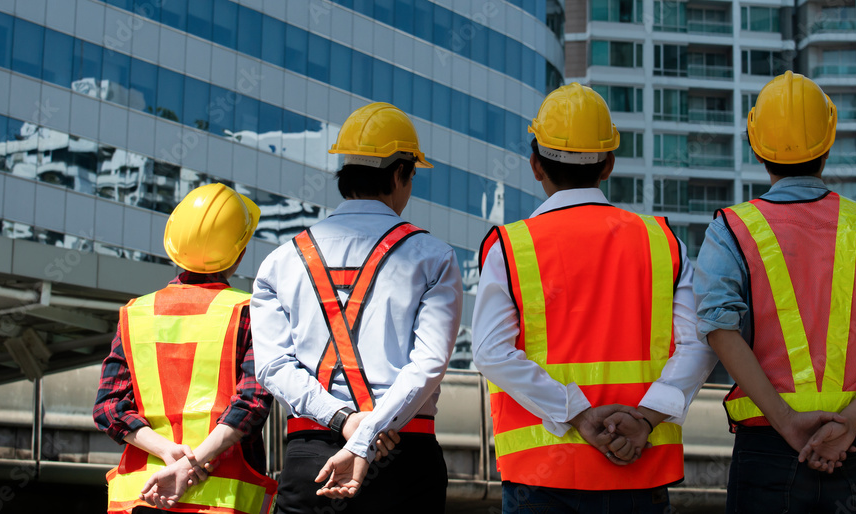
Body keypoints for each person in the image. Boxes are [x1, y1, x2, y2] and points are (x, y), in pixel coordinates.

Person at [472, 82, 717, 513]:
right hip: (639, 472)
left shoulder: (510, 247)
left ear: (535, 165)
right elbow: (700, 343)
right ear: (608, 165)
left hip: (541, 476)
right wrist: (645, 418)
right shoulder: (661, 243)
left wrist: (578, 413)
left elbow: (491, 353)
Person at [693, 71, 856, 514]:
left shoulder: (732, 231)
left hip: (767, 446)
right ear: (829, 138)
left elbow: (719, 328)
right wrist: (850, 423)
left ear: (756, 144)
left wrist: (787, 423)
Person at [250, 102, 463, 513]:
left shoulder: (280, 261)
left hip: (311, 457)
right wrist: (368, 433)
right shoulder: (433, 257)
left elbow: (272, 367)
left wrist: (344, 420)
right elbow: (429, 364)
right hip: (404, 454)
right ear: (401, 173)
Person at [93, 183, 277, 513]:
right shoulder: (248, 311)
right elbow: (251, 404)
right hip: (223, 502)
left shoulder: (136, 312)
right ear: (239, 254)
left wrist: (167, 451)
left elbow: (108, 407)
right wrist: (191, 462)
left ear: (173, 247)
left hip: (141, 497)